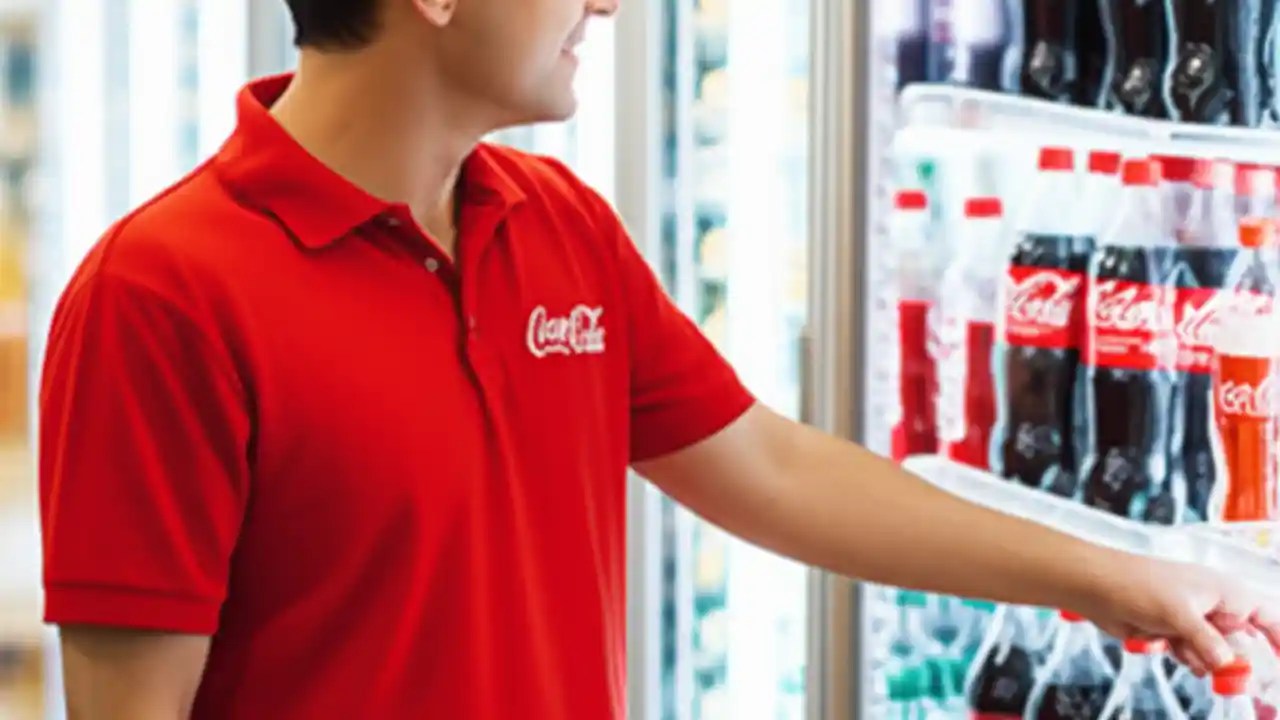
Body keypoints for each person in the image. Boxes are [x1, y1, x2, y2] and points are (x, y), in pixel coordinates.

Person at [38, 0, 1279, 718]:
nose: (610, 4)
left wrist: (1119, 576)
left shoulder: (556, 225)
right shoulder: (164, 294)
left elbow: (769, 470)